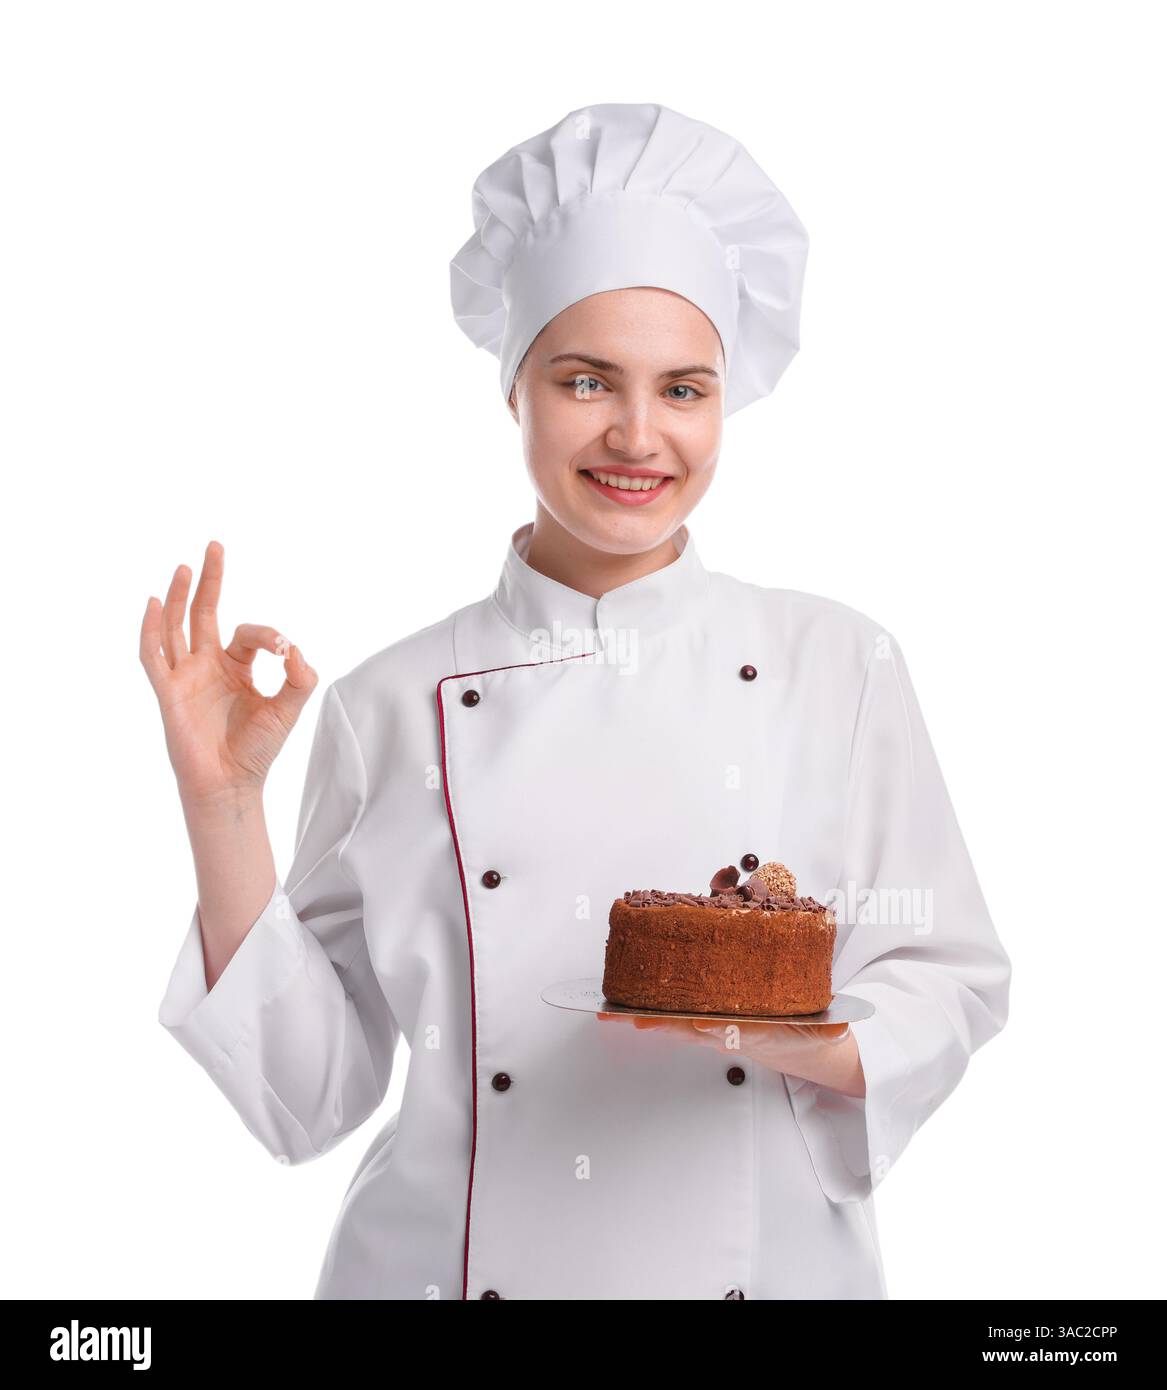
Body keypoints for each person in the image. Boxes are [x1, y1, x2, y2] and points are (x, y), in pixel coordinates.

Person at [141, 103, 1010, 1300]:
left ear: (726, 401)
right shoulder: (392, 702)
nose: (639, 435)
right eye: (587, 379)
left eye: (685, 390)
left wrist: (824, 1043)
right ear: (515, 391)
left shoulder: (835, 662)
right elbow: (309, 1095)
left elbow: (952, 970)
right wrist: (221, 801)